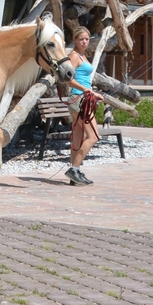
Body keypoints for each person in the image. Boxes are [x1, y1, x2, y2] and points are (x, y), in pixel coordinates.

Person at [65, 26, 101, 186]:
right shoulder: (74, 56)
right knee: (93, 136)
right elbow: (67, 79)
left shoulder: (83, 55)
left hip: (82, 98)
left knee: (78, 138)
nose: (85, 42)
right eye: (81, 39)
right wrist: (88, 90)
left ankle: (75, 174)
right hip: (79, 99)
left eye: (87, 39)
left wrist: (92, 93)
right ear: (75, 40)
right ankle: (74, 169)